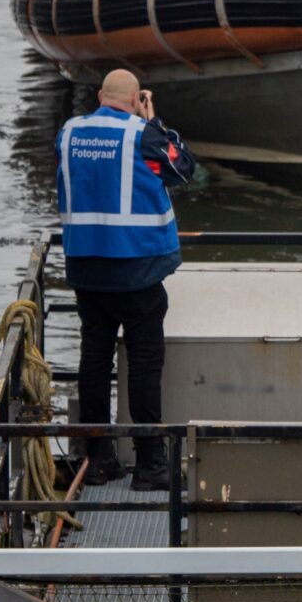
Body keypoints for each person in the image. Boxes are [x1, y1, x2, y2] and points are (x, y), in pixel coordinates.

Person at [59, 69, 197, 489]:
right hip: (138, 272)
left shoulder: (69, 132)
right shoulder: (143, 134)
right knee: (144, 366)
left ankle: (97, 460)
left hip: (87, 271)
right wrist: (154, 122)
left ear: (100, 95)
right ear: (138, 99)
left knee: (94, 361)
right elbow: (183, 169)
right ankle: (150, 464)